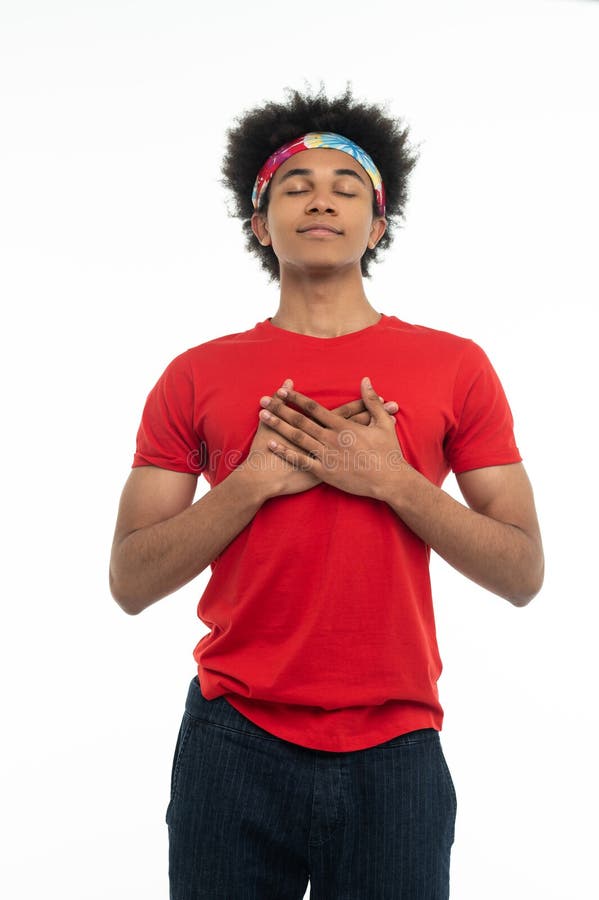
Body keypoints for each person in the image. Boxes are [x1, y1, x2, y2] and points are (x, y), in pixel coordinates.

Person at [109, 83, 544, 900]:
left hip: (397, 745)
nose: (321, 200)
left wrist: (389, 480)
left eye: (347, 188)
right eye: (295, 186)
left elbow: (521, 571)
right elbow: (130, 581)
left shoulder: (456, 365)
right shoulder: (195, 373)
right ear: (257, 221)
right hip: (232, 737)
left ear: (377, 226)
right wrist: (251, 485)